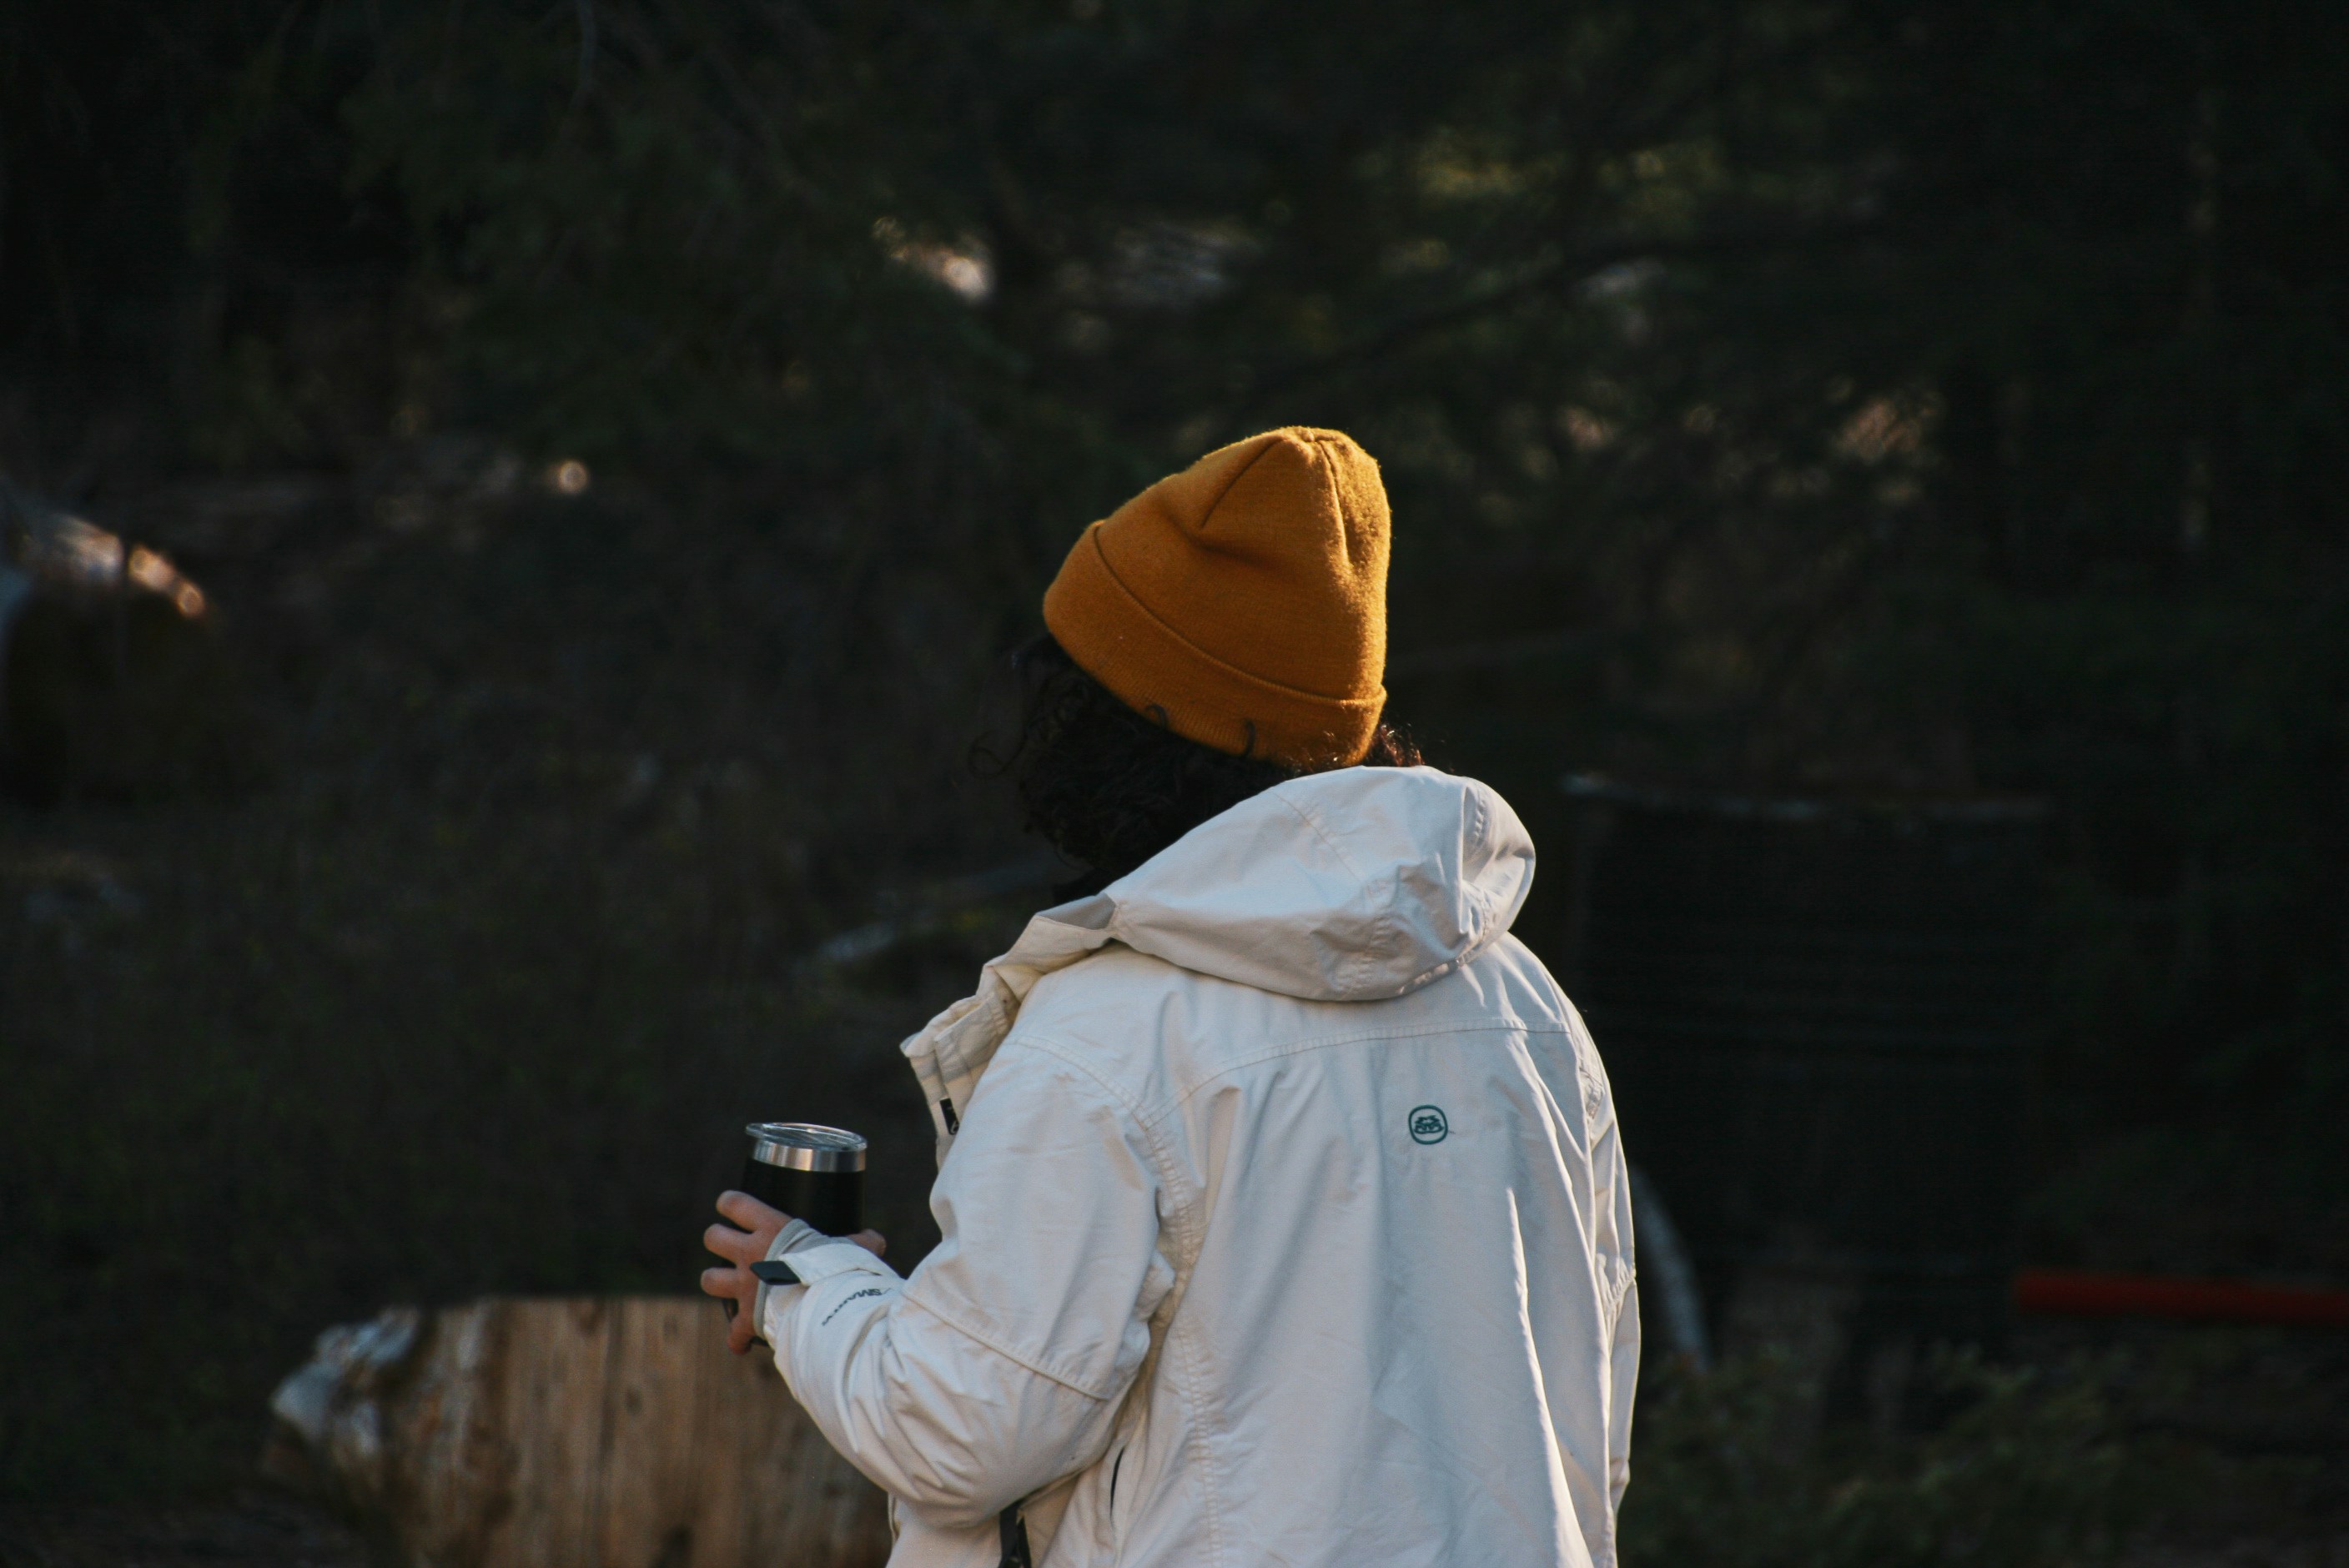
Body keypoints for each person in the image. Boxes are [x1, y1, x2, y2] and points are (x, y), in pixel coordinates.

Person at [703, 427, 1639, 1567]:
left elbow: (961, 1434)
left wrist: (805, 1282)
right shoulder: (1528, 1008)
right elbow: (1588, 1421)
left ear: (1113, 733)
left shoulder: (1109, 1033)